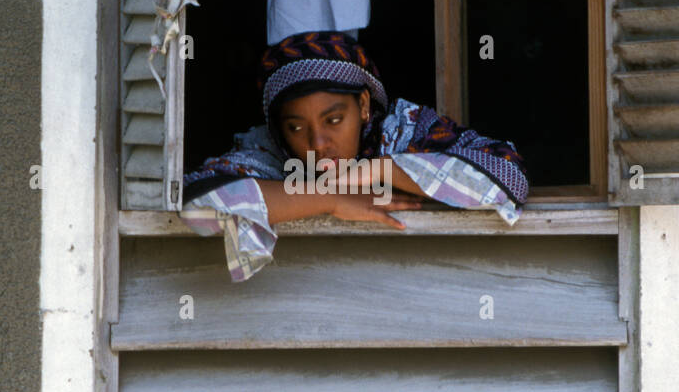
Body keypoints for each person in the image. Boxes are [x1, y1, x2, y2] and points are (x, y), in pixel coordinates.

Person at [181, 30, 529, 281]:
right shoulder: (267, 153)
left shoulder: (405, 130)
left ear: (363, 105)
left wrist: (378, 170)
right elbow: (197, 205)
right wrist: (330, 198)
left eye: (334, 120)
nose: (318, 142)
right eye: (296, 128)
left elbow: (508, 179)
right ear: (278, 130)